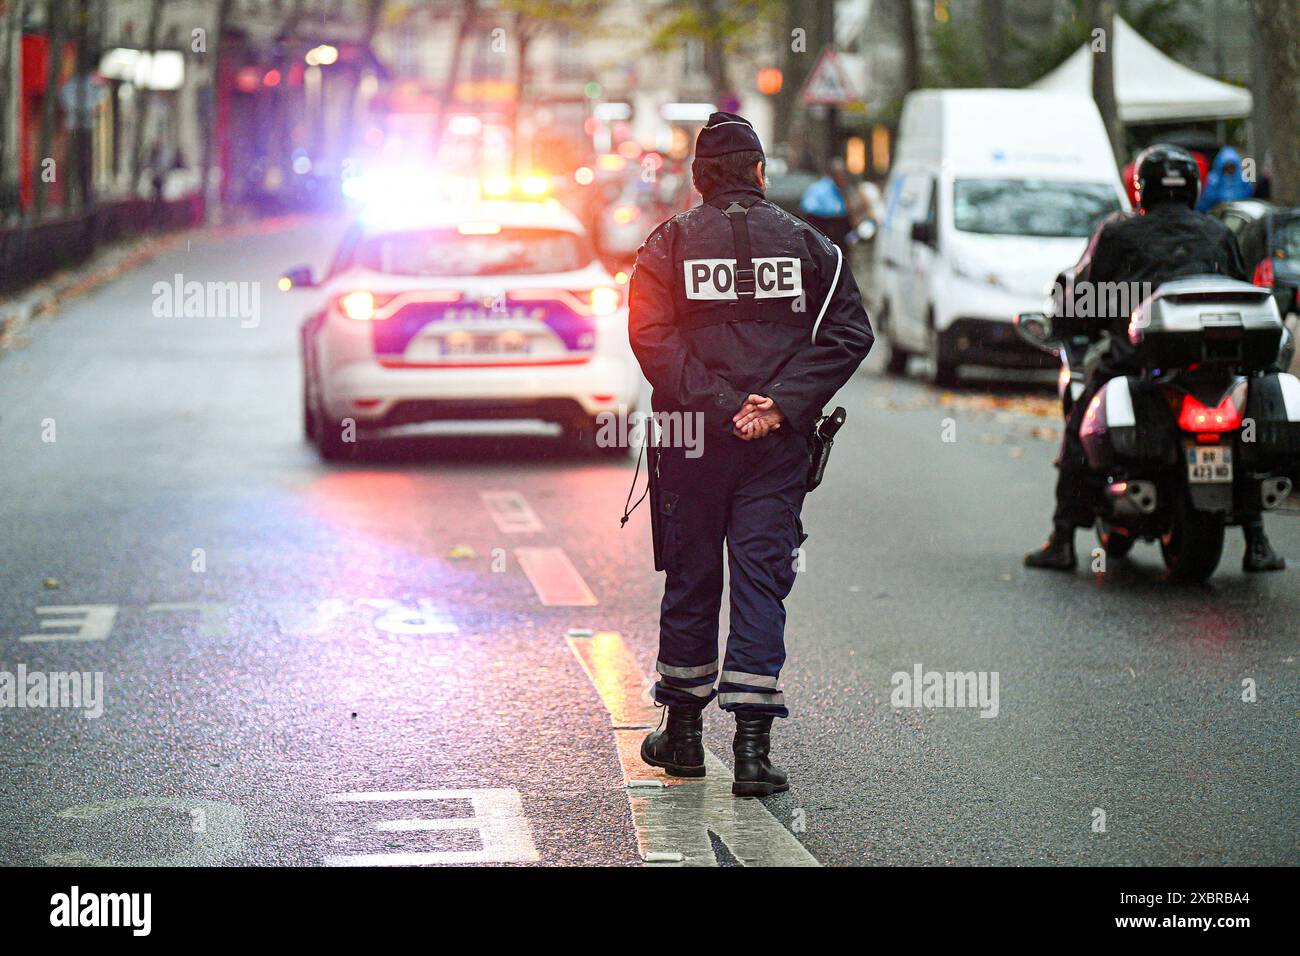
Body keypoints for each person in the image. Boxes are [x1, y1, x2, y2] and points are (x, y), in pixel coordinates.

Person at [628, 112, 874, 796]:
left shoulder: (665, 245)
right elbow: (851, 334)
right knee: (761, 579)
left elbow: (650, 338)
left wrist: (719, 403)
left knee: (692, 576)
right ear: (760, 173)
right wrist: (778, 405)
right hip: (775, 447)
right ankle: (752, 754)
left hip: (693, 441)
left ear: (698, 178)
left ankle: (682, 738)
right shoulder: (813, 246)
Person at [1025, 144, 1285, 573]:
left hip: (1137, 361)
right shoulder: (1217, 233)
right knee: (1242, 428)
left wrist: (1069, 324)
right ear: (1193, 188)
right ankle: (1256, 541)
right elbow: (1240, 290)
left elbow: (1086, 301)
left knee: (1080, 420)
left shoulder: (1119, 235)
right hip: (1217, 364)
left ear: (1142, 188)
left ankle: (1064, 539)